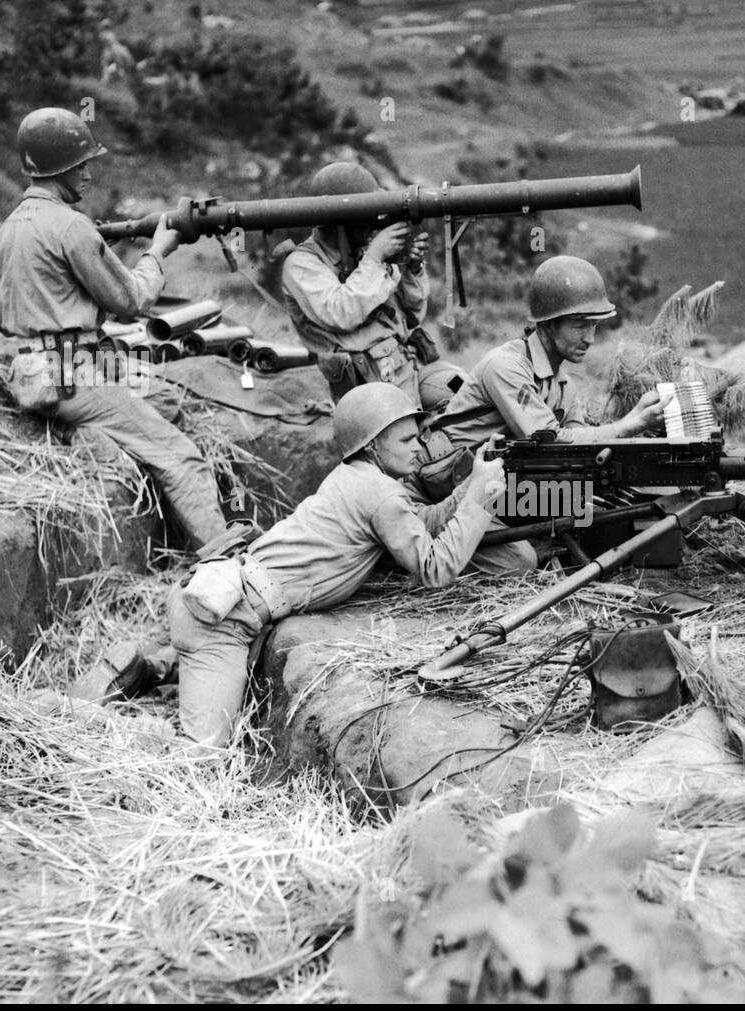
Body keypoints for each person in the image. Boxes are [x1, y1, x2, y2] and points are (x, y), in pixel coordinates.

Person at [169, 383, 505, 749]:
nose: (419, 447)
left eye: (417, 438)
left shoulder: (358, 478)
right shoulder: (381, 493)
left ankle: (156, 668)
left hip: (231, 600)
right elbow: (436, 568)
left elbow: (421, 526)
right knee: (203, 753)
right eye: (407, 439)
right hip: (222, 619)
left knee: (202, 690)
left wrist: (472, 482)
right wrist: (480, 499)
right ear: (373, 445)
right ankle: (140, 673)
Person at [0, 107, 227, 549]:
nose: (88, 175)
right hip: (71, 374)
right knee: (181, 456)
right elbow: (129, 302)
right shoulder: (71, 227)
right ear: (59, 167)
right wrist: (158, 250)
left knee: (166, 399)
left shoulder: (11, 227)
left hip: (36, 369)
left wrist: (98, 253)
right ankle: (226, 569)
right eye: (81, 165)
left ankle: (101, 439)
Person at [422, 255, 671, 573]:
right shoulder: (507, 366)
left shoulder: (564, 385)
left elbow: (582, 452)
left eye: (594, 324)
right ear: (549, 323)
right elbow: (550, 443)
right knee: (522, 563)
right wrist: (627, 426)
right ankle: (429, 542)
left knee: (594, 512)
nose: (590, 338)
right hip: (451, 493)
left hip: (500, 489)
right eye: (579, 325)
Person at [280, 161, 438, 409]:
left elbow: (413, 316)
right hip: (366, 391)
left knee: (464, 394)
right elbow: (340, 312)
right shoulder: (301, 264)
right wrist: (375, 258)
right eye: (364, 219)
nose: (372, 226)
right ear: (338, 224)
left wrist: (412, 268)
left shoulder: (363, 256)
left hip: (407, 369)